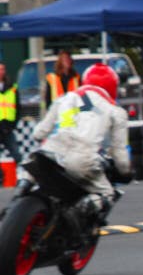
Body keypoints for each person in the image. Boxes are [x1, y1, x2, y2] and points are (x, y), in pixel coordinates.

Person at [16, 63, 131, 223]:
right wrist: (125, 171)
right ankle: (76, 216)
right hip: (82, 159)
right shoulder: (116, 111)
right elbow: (120, 153)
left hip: (52, 151)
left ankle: (21, 190)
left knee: (31, 170)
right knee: (107, 194)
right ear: (113, 87)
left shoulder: (64, 98)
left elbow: (38, 133)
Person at [0, 62, 21, 184]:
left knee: (16, 154)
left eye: (2, 69)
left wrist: (13, 124)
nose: (1, 71)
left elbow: (17, 107)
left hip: (8, 127)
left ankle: (22, 177)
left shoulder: (12, 87)